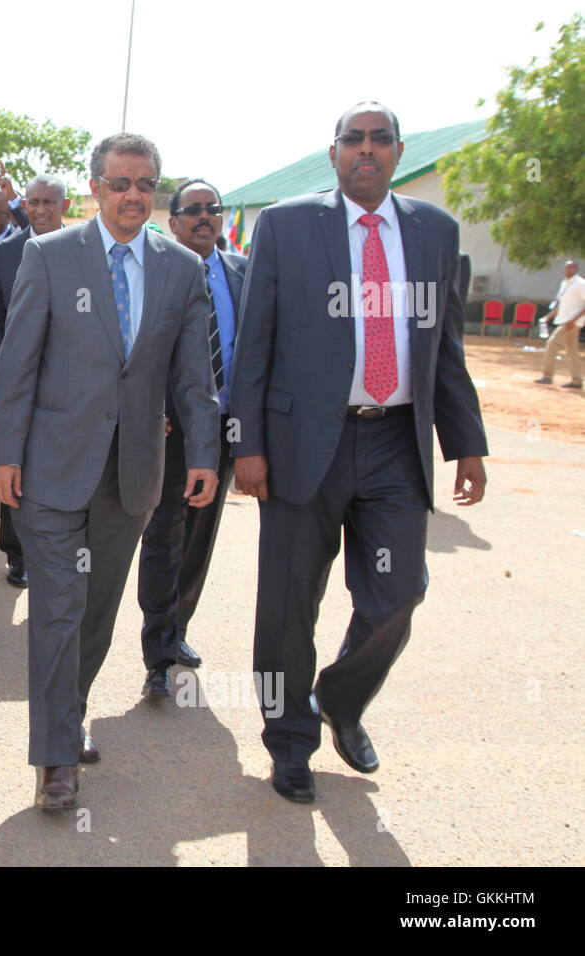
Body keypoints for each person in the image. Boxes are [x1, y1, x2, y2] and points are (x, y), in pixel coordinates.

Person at [231, 102, 489, 804]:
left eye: (379, 140)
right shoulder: (286, 225)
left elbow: (447, 348)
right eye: (353, 139)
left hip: (397, 443)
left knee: (400, 590)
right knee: (288, 604)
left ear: (399, 152)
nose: (365, 150)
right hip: (300, 446)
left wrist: (465, 443)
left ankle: (339, 701)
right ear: (334, 152)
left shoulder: (435, 231)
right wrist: (245, 444)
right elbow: (253, 342)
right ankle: (289, 740)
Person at [0, 132, 220, 811]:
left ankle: (71, 711)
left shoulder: (181, 268)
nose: (133, 196)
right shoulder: (50, 255)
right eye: (120, 183)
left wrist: (203, 453)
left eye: (145, 184)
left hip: (133, 475)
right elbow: (16, 364)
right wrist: (3, 453)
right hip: (50, 468)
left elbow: (193, 377)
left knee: (96, 612)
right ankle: (56, 759)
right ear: (95, 188)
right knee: (58, 609)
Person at [137, 178, 247, 694]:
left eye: (213, 209)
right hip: (171, 426)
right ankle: (157, 653)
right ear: (174, 219)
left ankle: (178, 627)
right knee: (165, 534)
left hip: (225, 425)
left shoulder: (244, 274)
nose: (205, 217)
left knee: (201, 536)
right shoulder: (157, 272)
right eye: (193, 210)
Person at [0, 173, 72, 589]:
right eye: (32, 201)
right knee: (12, 461)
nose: (40, 209)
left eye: (49, 202)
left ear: (64, 206)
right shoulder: (2, 257)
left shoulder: (86, 251)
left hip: (72, 383)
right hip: (17, 384)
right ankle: (17, 553)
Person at [535, 260, 585, 387]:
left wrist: (573, 321)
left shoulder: (580, 284)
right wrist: (548, 317)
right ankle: (577, 380)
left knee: (552, 345)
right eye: (567, 267)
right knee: (572, 351)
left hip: (571, 323)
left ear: (576, 269)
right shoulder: (565, 284)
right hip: (565, 321)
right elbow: (562, 305)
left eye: (571, 267)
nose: (568, 270)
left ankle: (547, 376)